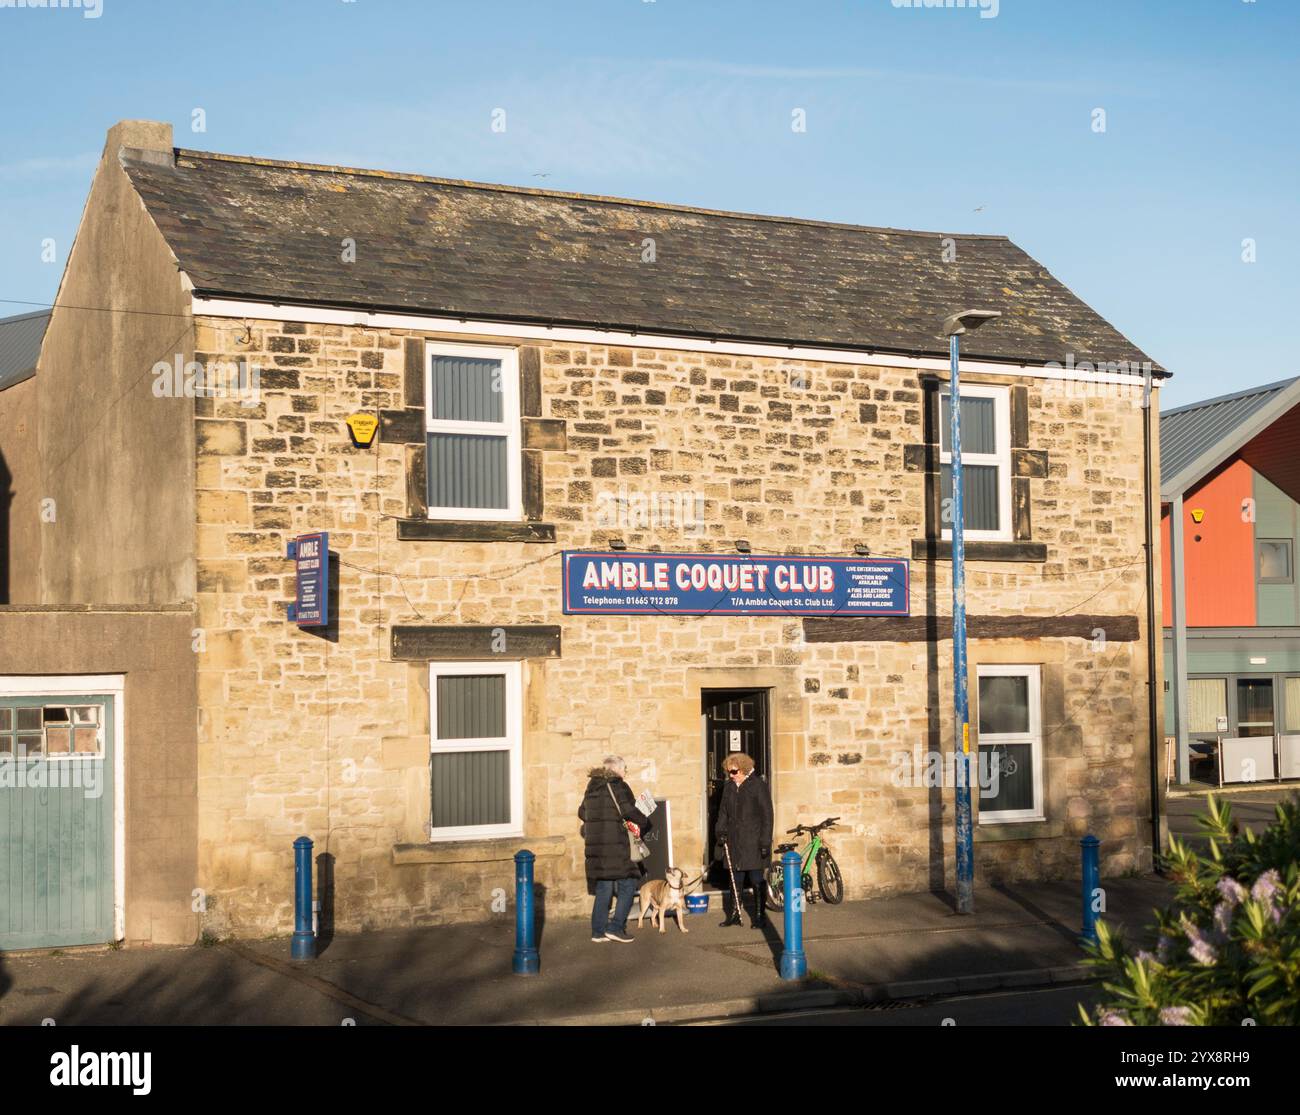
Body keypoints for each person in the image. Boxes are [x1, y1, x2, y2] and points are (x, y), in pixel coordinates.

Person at [578, 755, 653, 943]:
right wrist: (645, 820)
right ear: (617, 769)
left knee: (604, 886)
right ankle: (616, 927)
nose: (625, 772)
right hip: (617, 846)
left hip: (597, 849)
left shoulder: (592, 787)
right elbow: (628, 810)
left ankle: (598, 931)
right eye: (625, 769)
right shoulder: (619, 785)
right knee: (628, 883)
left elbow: (582, 812)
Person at [713, 753, 773, 928]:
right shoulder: (729, 787)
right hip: (734, 841)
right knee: (734, 879)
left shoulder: (758, 786)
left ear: (744, 768)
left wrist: (765, 842)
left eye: (734, 771)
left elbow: (767, 816)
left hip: (753, 841)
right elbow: (723, 812)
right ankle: (734, 914)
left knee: (756, 879)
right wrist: (720, 831)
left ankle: (760, 917)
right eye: (728, 772)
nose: (731, 775)